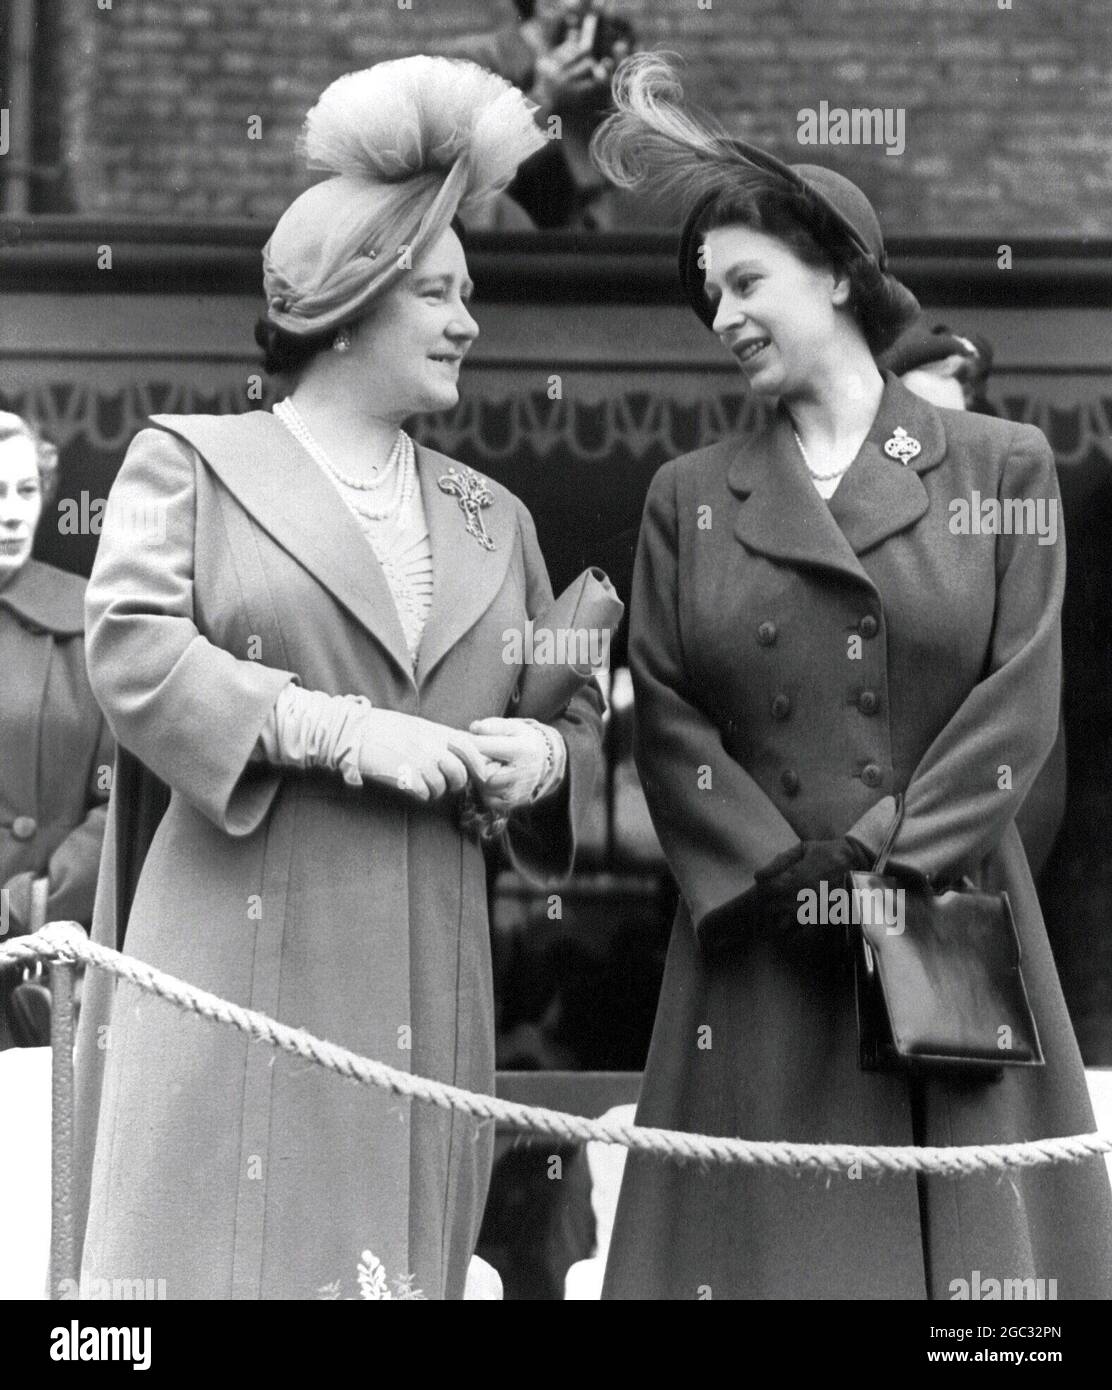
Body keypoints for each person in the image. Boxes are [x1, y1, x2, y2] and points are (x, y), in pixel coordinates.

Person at [72, 56, 604, 1301]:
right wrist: (336, 730)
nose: (468, 319)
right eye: (438, 291)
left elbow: (564, 688)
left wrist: (547, 756)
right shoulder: (189, 465)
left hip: (431, 980)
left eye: (466, 292)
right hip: (235, 961)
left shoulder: (495, 517)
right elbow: (132, 647)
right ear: (352, 301)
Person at [591, 54, 1112, 1299]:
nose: (721, 314)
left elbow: (1017, 696)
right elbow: (663, 710)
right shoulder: (684, 496)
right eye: (707, 293)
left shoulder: (1000, 466)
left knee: (976, 1297)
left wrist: (879, 851)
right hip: (757, 950)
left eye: (746, 280)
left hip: (937, 928)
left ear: (836, 272)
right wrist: (771, 871)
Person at [0, 412, 112, 1050]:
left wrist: (34, 902)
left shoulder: (91, 621)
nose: (13, 513)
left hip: (48, 961)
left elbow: (123, 795)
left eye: (24, 490)